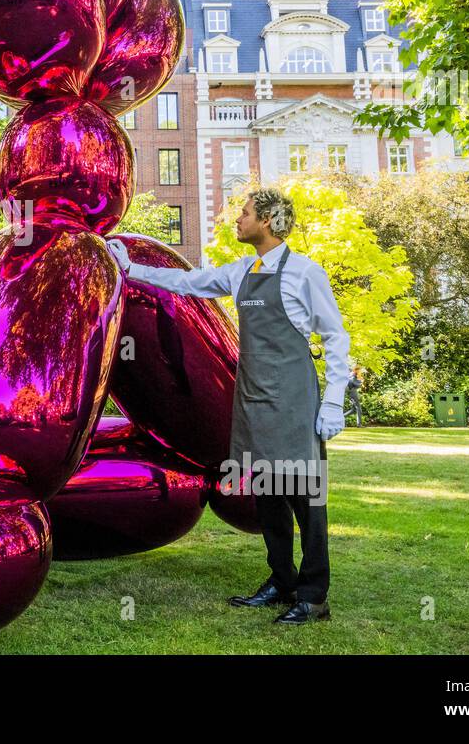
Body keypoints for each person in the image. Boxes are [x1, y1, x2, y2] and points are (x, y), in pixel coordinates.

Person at [105, 186, 351, 624]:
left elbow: (336, 337)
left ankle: (314, 597)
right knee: (268, 496)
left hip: (294, 400)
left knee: (306, 497)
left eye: (245, 213)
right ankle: (281, 581)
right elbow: (189, 282)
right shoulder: (242, 271)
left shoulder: (305, 274)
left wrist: (333, 402)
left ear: (270, 222)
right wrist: (131, 268)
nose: (237, 219)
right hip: (254, 397)